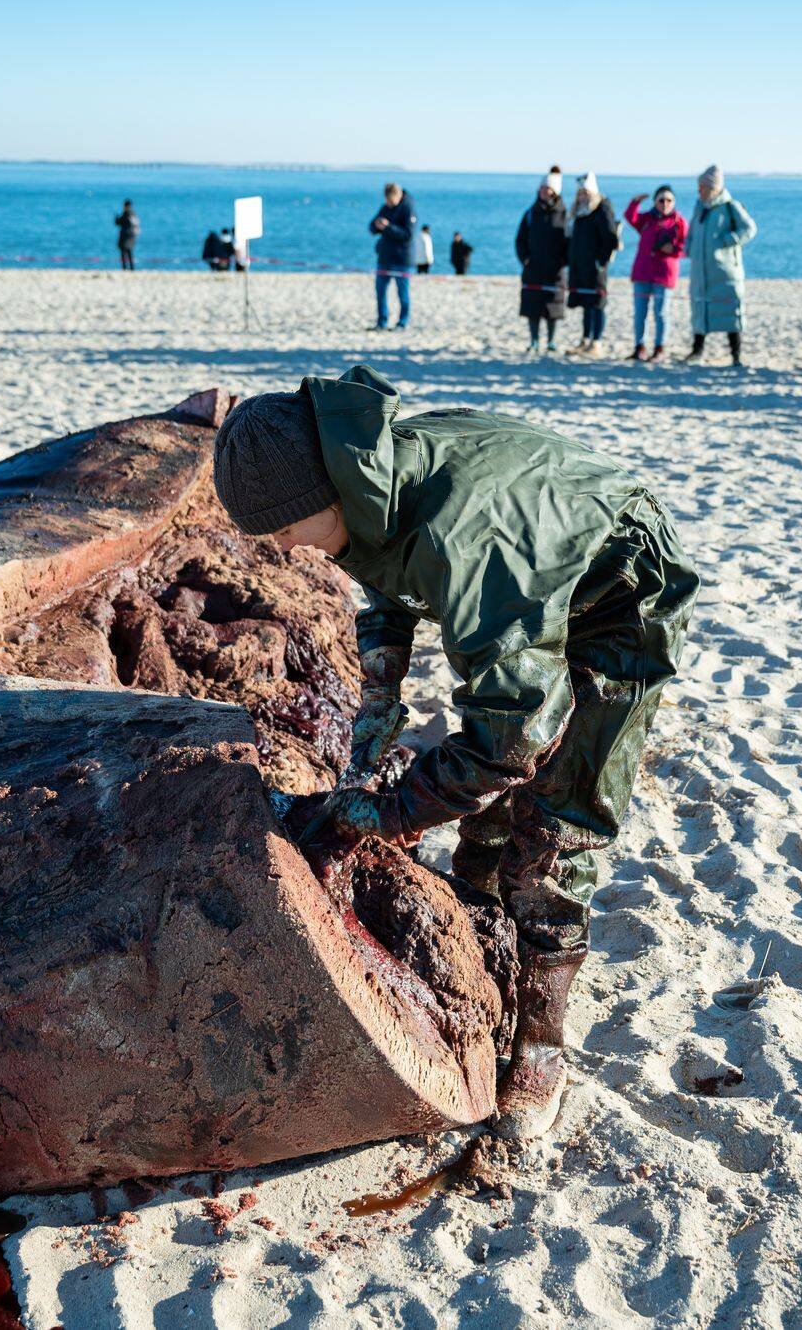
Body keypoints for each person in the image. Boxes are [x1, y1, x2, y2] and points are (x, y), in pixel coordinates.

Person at [210, 366, 698, 1140]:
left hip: (622, 585)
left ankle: (541, 1048)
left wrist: (398, 812)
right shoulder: (363, 472)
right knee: (488, 826)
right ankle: (481, 932)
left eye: (284, 530)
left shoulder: (457, 538)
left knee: (556, 826)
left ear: (321, 495)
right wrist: (379, 697)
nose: (285, 550)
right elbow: (383, 580)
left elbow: (514, 737)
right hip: (539, 547)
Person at [684, 165, 756, 366]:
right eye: (699, 187)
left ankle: (736, 354)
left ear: (713, 188)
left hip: (724, 272)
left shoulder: (730, 206)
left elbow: (749, 229)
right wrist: (689, 248)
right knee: (700, 309)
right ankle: (697, 350)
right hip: (701, 271)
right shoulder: (700, 208)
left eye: (703, 187)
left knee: (730, 310)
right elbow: (692, 232)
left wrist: (728, 240)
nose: (699, 191)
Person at [622, 186, 687, 362]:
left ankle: (660, 348)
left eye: (669, 200)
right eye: (661, 200)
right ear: (655, 202)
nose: (665, 204)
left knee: (661, 313)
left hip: (664, 273)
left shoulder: (679, 222)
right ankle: (639, 347)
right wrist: (635, 202)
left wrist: (672, 249)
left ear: (674, 203)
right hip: (643, 272)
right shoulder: (647, 219)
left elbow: (686, 247)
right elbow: (630, 217)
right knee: (640, 312)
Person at [516, 167, 571, 353]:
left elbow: (570, 241)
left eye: (547, 189)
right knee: (532, 307)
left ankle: (551, 341)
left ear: (554, 191)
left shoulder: (564, 214)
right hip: (533, 268)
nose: (543, 192)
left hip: (555, 270)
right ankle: (534, 340)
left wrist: (564, 260)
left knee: (553, 308)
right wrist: (525, 259)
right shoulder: (530, 214)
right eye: (541, 189)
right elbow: (520, 239)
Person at [566, 173, 621, 357]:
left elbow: (610, 237)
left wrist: (601, 261)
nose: (583, 196)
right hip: (581, 265)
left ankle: (596, 342)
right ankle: (585, 340)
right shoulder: (578, 212)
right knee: (586, 302)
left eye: (585, 193)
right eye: (580, 193)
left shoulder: (601, 208)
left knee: (597, 303)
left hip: (596, 266)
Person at [369, 183, 418, 330]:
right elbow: (371, 227)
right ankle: (381, 322)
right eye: (387, 200)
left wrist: (388, 227)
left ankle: (402, 322)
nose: (389, 203)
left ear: (398, 195)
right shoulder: (385, 208)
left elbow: (408, 235)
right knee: (380, 291)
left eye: (391, 200)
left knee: (402, 293)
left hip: (402, 259)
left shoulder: (408, 208)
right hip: (384, 257)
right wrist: (376, 225)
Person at [115, 200, 140, 271]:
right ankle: (132, 267)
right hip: (132, 236)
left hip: (125, 235)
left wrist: (117, 219)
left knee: (123, 252)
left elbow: (119, 222)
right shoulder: (133, 214)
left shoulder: (126, 213)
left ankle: (124, 267)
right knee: (129, 252)